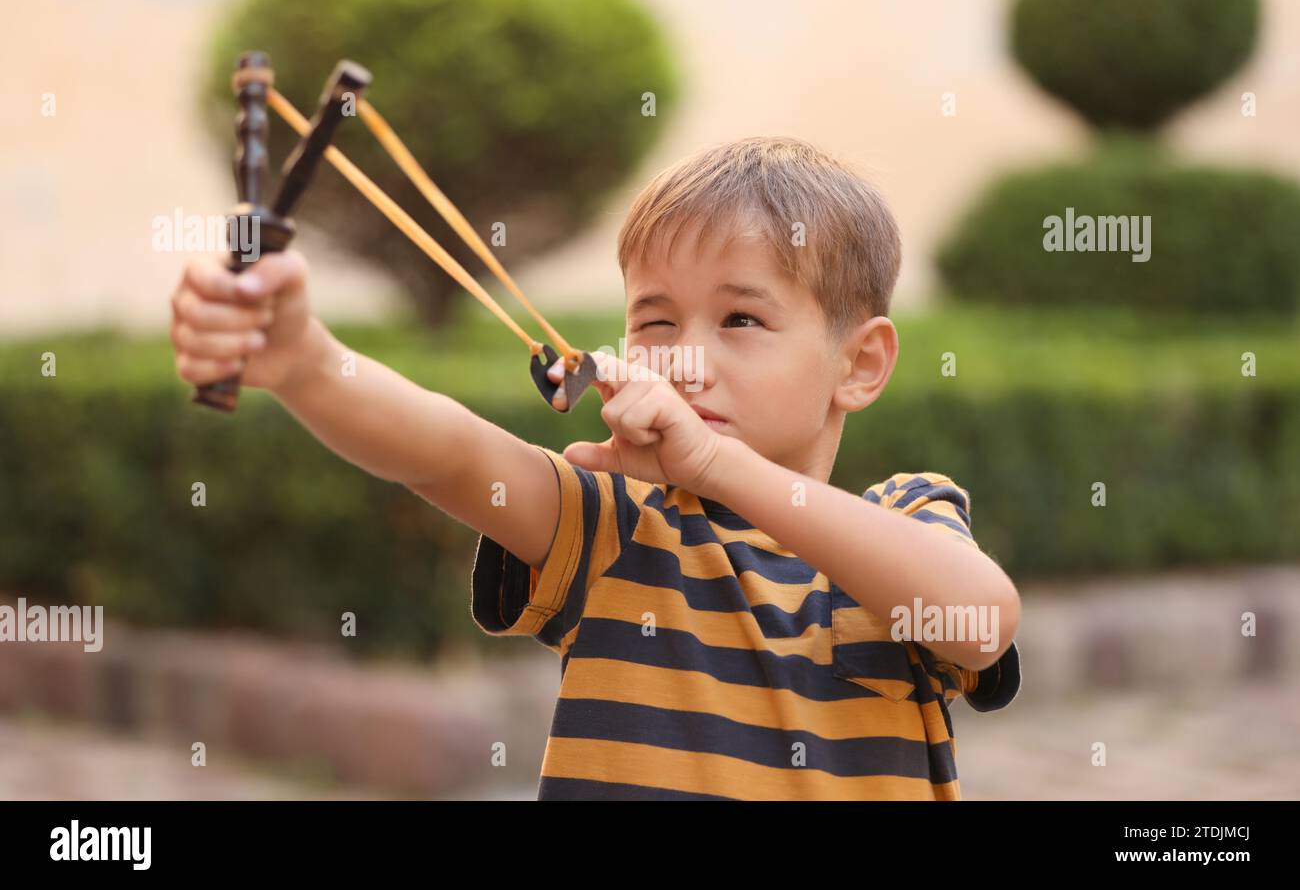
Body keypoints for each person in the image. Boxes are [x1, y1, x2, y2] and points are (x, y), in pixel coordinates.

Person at [170, 136, 1022, 799]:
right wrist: (307, 364)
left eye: (741, 320)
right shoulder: (620, 521)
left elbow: (981, 622)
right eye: (655, 324)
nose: (686, 359)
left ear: (860, 364)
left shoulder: (907, 518)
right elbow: (448, 451)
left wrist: (723, 467)